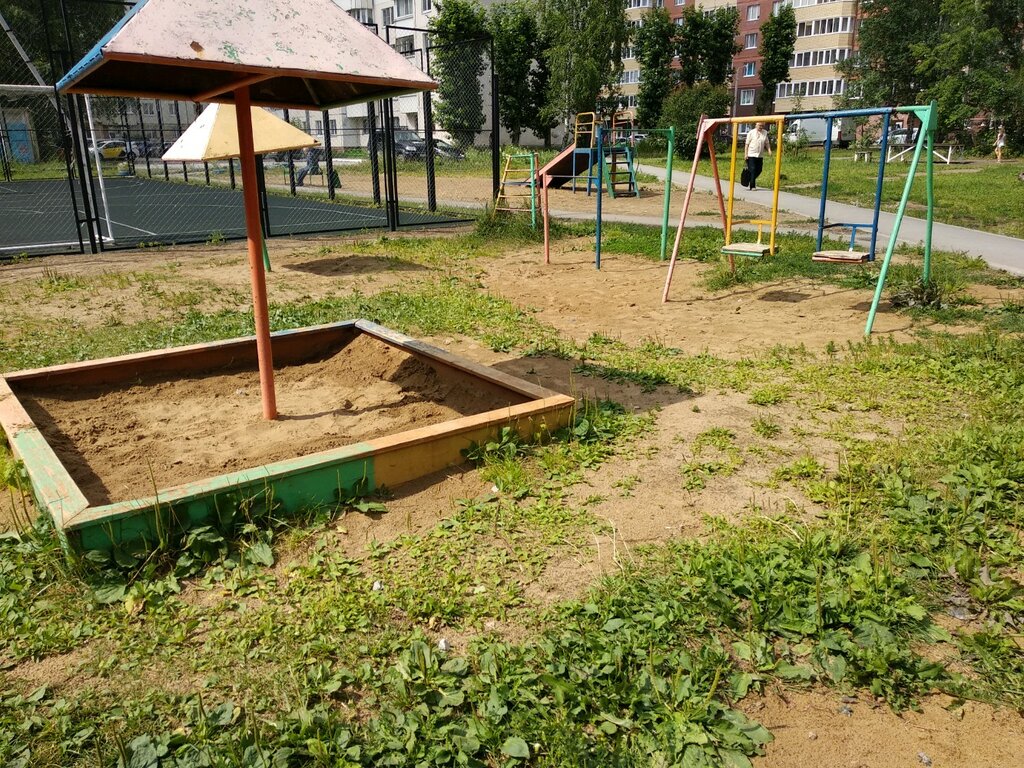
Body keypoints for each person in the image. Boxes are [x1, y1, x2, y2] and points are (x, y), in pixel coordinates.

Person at [743, 122, 772, 190]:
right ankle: (752, 186)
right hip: (751, 154)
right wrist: (746, 154)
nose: (761, 127)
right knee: (752, 169)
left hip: (760, 155)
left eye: (762, 126)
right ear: (756, 125)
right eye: (759, 125)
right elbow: (747, 144)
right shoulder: (751, 132)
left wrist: (769, 150)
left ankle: (750, 179)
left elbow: (767, 143)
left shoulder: (765, 132)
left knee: (759, 170)